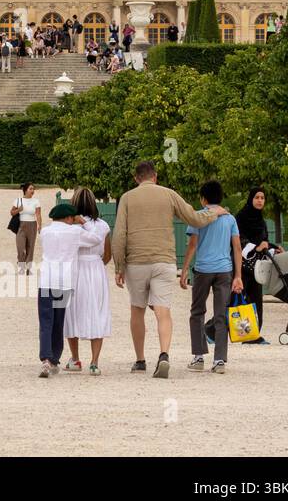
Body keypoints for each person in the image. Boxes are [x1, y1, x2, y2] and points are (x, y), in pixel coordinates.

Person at [112, 160, 227, 378]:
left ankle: (140, 360)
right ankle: (164, 354)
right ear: (155, 176)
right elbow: (193, 217)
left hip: (137, 262)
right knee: (163, 311)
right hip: (163, 261)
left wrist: (119, 266)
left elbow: (119, 234)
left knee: (137, 310)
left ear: (136, 178)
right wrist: (215, 213)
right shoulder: (168, 194)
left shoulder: (127, 198)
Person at [180, 180, 243, 373]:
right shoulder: (230, 219)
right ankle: (219, 361)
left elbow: (192, 245)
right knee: (221, 315)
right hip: (224, 270)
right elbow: (237, 247)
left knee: (197, 312)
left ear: (203, 199)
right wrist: (238, 276)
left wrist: (184, 270)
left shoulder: (198, 217)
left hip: (203, 270)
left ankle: (198, 357)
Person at [36, 202, 103, 377]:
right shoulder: (75, 231)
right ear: (68, 218)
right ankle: (54, 359)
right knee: (58, 321)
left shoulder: (45, 231)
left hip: (46, 279)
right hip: (64, 282)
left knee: (45, 321)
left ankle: (45, 358)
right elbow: (96, 238)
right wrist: (84, 222)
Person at [64, 187, 112, 374]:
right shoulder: (102, 225)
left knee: (72, 312)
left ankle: (75, 359)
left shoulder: (70, 227)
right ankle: (94, 362)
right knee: (97, 311)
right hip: (96, 270)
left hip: (75, 270)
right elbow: (107, 255)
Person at [235, 187, 271, 344]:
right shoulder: (241, 217)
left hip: (257, 267)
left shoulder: (261, 220)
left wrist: (273, 247)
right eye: (257, 197)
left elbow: (263, 240)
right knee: (236, 302)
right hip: (242, 266)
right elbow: (238, 239)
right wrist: (254, 247)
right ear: (251, 199)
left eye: (262, 198)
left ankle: (252, 335)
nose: (260, 200)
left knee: (256, 300)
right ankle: (211, 330)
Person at [12, 183, 43, 274]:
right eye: (30, 189)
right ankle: (21, 266)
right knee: (20, 247)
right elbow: (12, 212)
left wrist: (39, 226)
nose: (33, 191)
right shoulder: (18, 200)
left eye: (33, 189)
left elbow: (38, 214)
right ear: (25, 190)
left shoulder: (36, 201)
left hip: (32, 225)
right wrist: (18, 210)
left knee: (30, 247)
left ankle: (28, 268)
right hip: (21, 226)